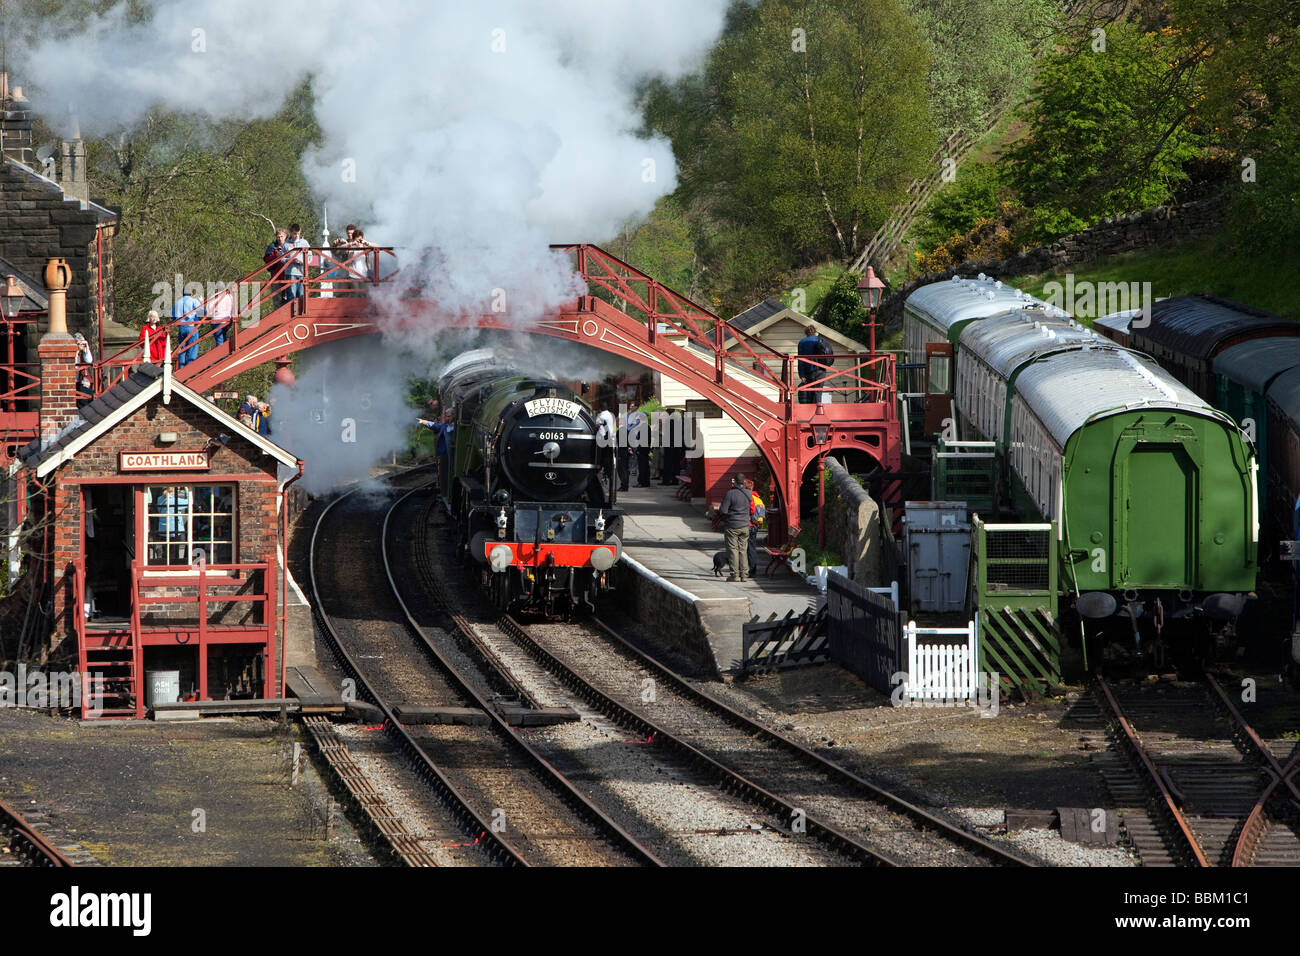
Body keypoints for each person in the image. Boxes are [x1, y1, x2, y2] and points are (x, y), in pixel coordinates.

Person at [718, 474, 753, 583]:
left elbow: (723, 510)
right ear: (743, 482)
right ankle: (744, 575)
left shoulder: (730, 494)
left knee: (733, 550)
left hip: (732, 526)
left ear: (734, 482)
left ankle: (735, 575)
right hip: (745, 526)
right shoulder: (748, 493)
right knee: (743, 550)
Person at [418, 408, 456, 495]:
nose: (446, 418)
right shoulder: (444, 426)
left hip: (454, 454)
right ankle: (446, 492)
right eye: (446, 416)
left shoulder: (457, 427)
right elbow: (434, 425)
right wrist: (423, 421)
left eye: (448, 416)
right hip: (444, 454)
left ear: (454, 416)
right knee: (445, 474)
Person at [797, 324, 834, 404]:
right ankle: (817, 410)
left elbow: (800, 360)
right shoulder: (821, 340)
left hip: (808, 371)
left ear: (806, 333)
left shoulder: (802, 342)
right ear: (815, 331)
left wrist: (801, 374)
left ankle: (809, 412)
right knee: (818, 392)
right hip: (820, 369)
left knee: (809, 393)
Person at [172, 290, 205, 369]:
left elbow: (173, 316)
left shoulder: (178, 302)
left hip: (181, 327)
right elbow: (202, 312)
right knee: (192, 348)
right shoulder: (194, 301)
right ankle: (189, 369)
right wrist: (202, 302)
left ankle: (181, 369)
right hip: (191, 327)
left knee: (182, 348)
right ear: (191, 294)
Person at [283, 223, 311, 306]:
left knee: (302, 297)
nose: (297, 236)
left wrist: (301, 261)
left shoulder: (305, 243)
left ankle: (302, 316)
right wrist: (290, 260)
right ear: (291, 233)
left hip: (302, 273)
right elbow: (282, 258)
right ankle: (291, 317)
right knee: (291, 296)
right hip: (290, 273)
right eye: (295, 233)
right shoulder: (286, 244)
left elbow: (310, 258)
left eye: (298, 233)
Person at [744, 477, 765, 574]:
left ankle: (748, 570)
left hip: (748, 525)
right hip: (755, 525)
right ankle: (753, 569)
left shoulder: (748, 498)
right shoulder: (757, 497)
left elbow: (751, 510)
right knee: (752, 548)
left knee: (744, 548)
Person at [74, 332, 95, 408]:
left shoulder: (83, 354)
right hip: (72, 382)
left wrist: (87, 348)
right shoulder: (73, 353)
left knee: (89, 395)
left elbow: (89, 360)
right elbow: (75, 366)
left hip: (81, 382)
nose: (81, 345)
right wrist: (76, 351)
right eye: (79, 343)